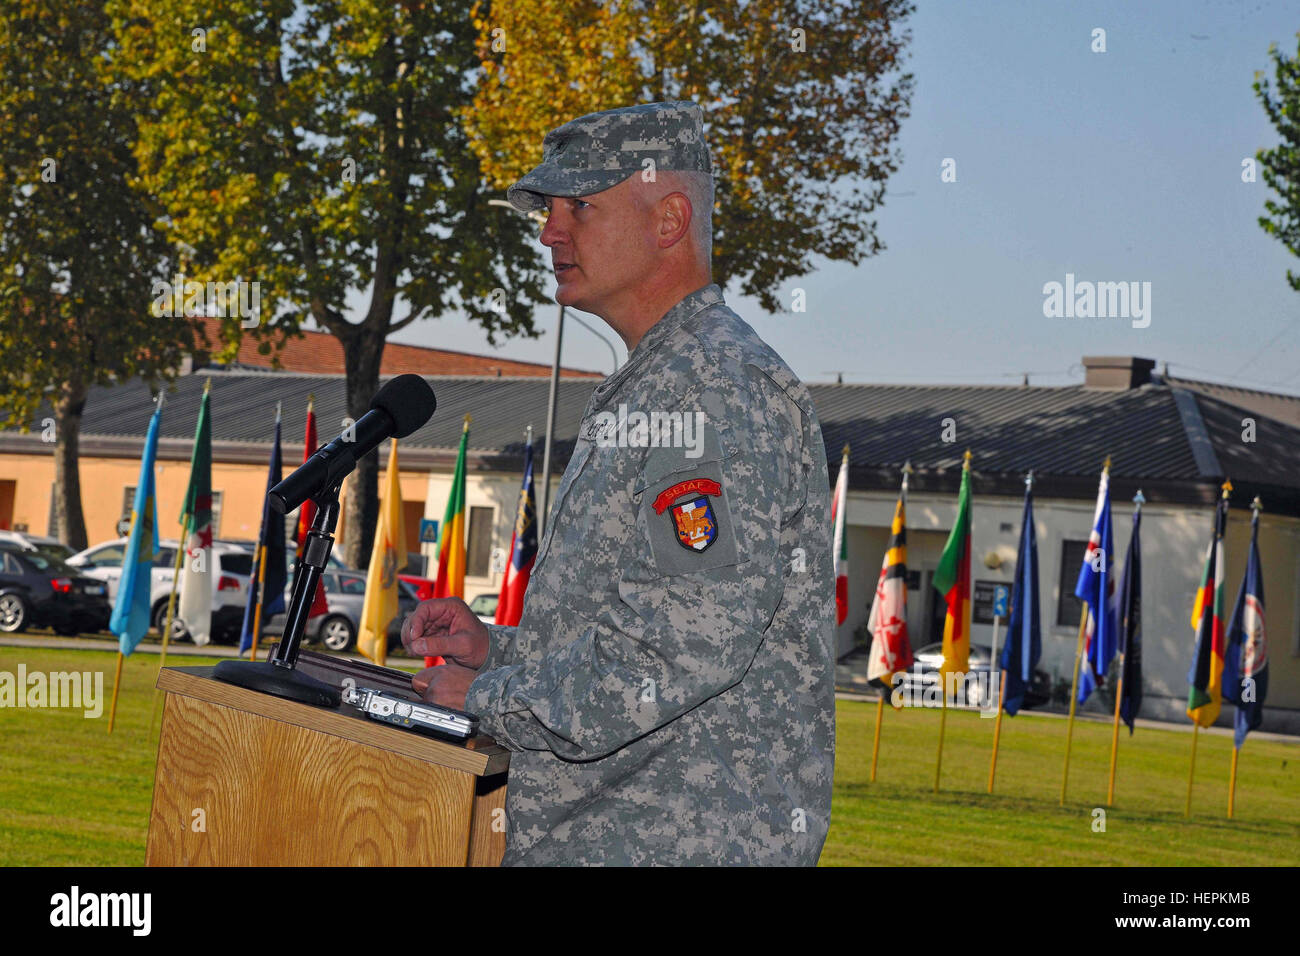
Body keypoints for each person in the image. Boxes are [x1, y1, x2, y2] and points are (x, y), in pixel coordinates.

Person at [401, 100, 835, 865]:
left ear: (669, 220)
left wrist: (489, 699)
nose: (547, 231)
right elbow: (643, 625)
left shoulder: (711, 386)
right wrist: (501, 654)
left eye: (579, 206)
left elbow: (681, 649)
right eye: (548, 210)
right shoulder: (661, 380)